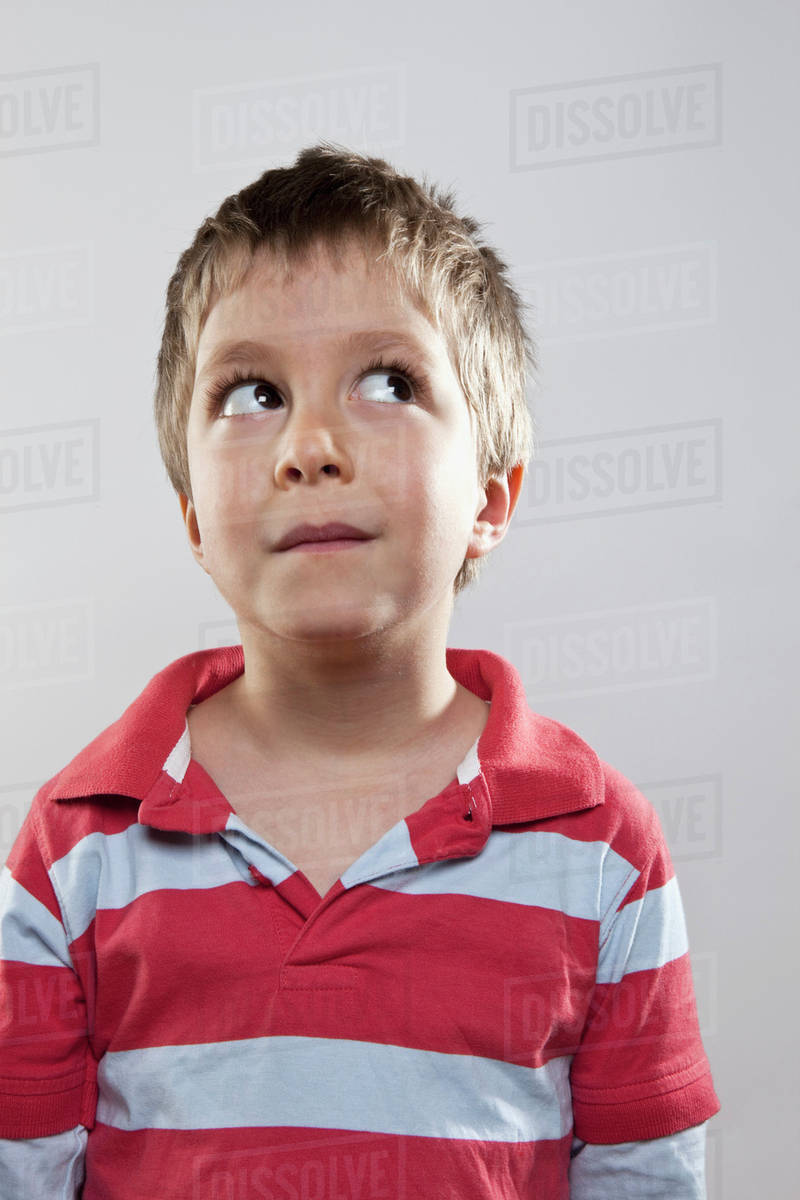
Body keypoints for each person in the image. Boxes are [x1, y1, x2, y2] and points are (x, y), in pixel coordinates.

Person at [0, 142, 719, 1198]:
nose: (311, 445)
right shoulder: (78, 845)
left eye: (387, 381)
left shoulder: (599, 846)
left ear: (490, 498)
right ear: (195, 518)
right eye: (251, 394)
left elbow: (642, 1177)